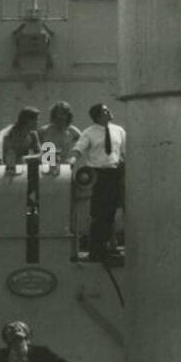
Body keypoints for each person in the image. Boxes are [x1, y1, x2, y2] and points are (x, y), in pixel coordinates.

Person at [73, 103, 126, 260]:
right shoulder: (89, 133)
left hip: (114, 173)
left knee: (111, 212)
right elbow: (79, 148)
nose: (109, 111)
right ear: (97, 116)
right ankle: (96, 250)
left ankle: (109, 247)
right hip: (98, 174)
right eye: (104, 110)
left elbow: (126, 151)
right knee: (98, 213)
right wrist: (71, 160)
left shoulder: (119, 131)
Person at [40, 101, 81, 168]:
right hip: (46, 168)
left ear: (68, 115)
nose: (60, 116)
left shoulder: (74, 133)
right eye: (58, 113)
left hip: (65, 168)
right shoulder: (44, 131)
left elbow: (81, 149)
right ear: (54, 115)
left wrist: (73, 159)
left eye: (63, 113)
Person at [1, 107, 43, 171]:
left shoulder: (33, 134)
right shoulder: (10, 134)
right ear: (27, 120)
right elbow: (5, 158)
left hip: (22, 169)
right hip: (5, 169)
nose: (37, 123)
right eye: (35, 120)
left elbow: (41, 155)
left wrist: (25, 158)